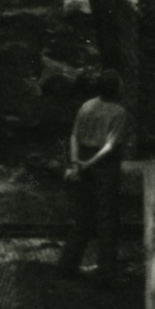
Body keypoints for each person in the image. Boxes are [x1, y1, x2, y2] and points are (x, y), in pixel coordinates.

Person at [57, 69, 128, 278]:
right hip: (104, 164)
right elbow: (110, 146)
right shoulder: (119, 112)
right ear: (116, 89)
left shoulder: (87, 106)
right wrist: (89, 163)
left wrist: (75, 162)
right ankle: (106, 273)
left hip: (82, 158)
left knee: (83, 217)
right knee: (107, 219)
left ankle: (67, 266)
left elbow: (74, 136)